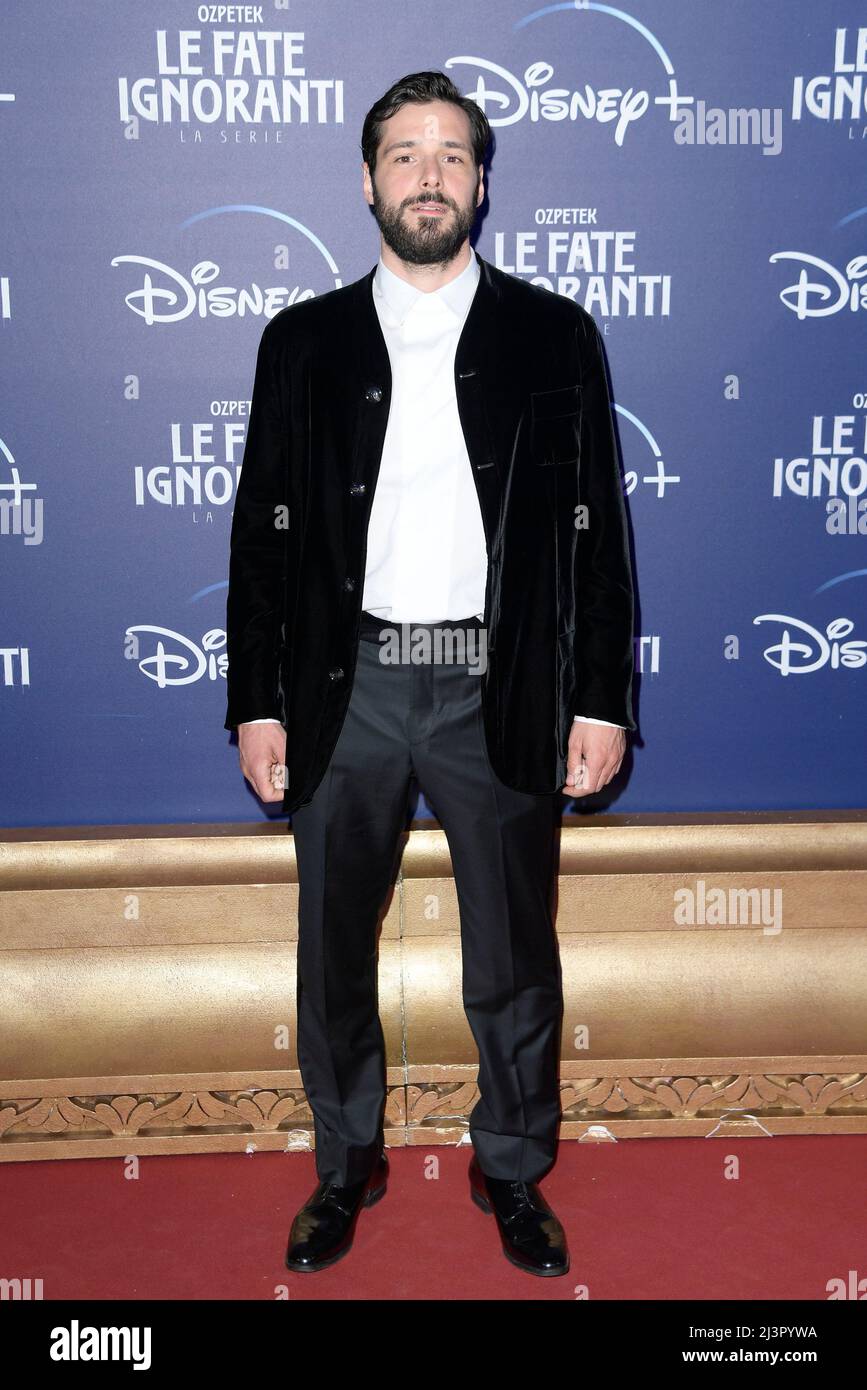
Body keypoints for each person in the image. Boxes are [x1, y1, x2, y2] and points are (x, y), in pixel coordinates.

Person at [224, 70, 636, 1278]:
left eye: (452, 155)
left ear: (483, 182)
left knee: (513, 956)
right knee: (331, 951)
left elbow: (597, 534)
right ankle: (343, 1166)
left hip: (494, 685)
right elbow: (261, 533)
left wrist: (600, 693)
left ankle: (511, 1168)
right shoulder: (301, 343)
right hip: (342, 691)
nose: (428, 176)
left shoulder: (553, 334)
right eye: (404, 155)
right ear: (367, 181)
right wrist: (257, 695)